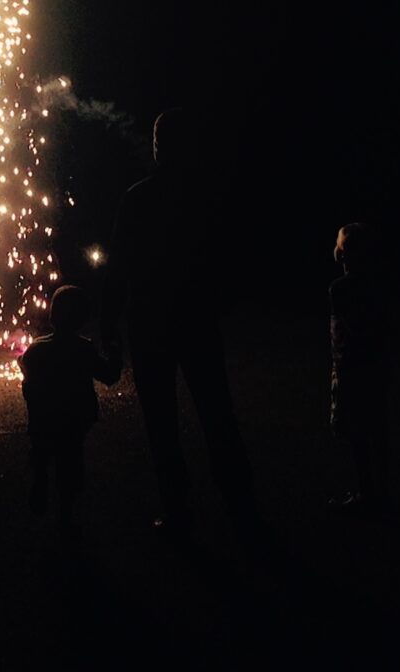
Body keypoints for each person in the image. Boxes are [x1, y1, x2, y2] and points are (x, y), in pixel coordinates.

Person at [101, 107, 261, 545]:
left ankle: (178, 509)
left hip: (152, 323)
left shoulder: (138, 198)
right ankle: (241, 506)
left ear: (157, 148)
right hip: (194, 318)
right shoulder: (204, 198)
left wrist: (108, 325)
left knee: (162, 422)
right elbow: (227, 259)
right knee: (216, 412)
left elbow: (118, 268)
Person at [18, 285, 121, 537]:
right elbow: (108, 376)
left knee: (42, 454)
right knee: (70, 466)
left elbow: (26, 372)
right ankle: (65, 516)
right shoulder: (83, 349)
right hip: (73, 421)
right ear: (82, 318)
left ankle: (40, 481)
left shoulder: (35, 349)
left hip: (42, 422)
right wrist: (116, 354)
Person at [327, 222, 392, 515]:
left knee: (356, 430)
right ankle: (383, 490)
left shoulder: (339, 289)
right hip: (375, 366)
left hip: (351, 367)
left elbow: (348, 331)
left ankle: (367, 492)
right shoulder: (377, 285)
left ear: (343, 255)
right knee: (376, 426)